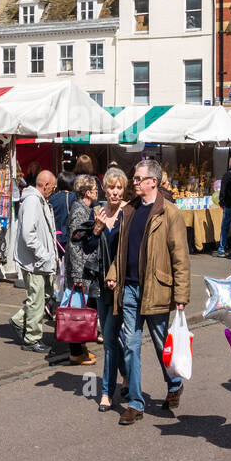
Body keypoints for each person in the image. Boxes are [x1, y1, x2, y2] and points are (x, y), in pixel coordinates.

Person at [104, 158, 189, 425]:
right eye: (135, 178)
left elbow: (180, 256)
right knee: (130, 346)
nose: (135, 182)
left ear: (154, 181)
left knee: (161, 342)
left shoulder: (170, 213)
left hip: (157, 288)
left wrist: (181, 296)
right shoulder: (128, 210)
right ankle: (136, 403)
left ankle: (174, 384)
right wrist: (113, 274)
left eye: (139, 178)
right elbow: (121, 250)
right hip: (129, 288)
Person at [92, 167, 128, 411]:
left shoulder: (129, 213)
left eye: (119, 188)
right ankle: (125, 374)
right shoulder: (98, 212)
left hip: (122, 285)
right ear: (104, 188)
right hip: (101, 283)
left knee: (108, 340)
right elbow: (87, 247)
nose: (115, 192)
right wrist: (96, 230)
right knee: (111, 338)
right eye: (111, 187)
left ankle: (106, 392)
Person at [11, 170, 58, 353]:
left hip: (40, 260)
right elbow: (28, 234)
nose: (53, 191)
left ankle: (18, 321)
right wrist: (44, 255)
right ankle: (32, 339)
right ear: (45, 185)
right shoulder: (32, 201)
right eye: (52, 188)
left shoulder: (39, 200)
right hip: (34, 261)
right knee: (37, 298)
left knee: (44, 295)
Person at [62, 174, 102, 366]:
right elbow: (74, 244)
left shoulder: (85, 208)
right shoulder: (80, 210)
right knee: (78, 311)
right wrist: (78, 274)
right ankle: (76, 352)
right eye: (95, 189)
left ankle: (81, 348)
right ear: (87, 192)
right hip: (79, 270)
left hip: (82, 269)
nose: (97, 192)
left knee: (82, 309)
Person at [216, 155, 231, 257]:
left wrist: (221, 202)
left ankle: (222, 248)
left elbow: (223, 190)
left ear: (230, 164)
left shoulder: (227, 175)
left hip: (229, 205)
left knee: (225, 227)